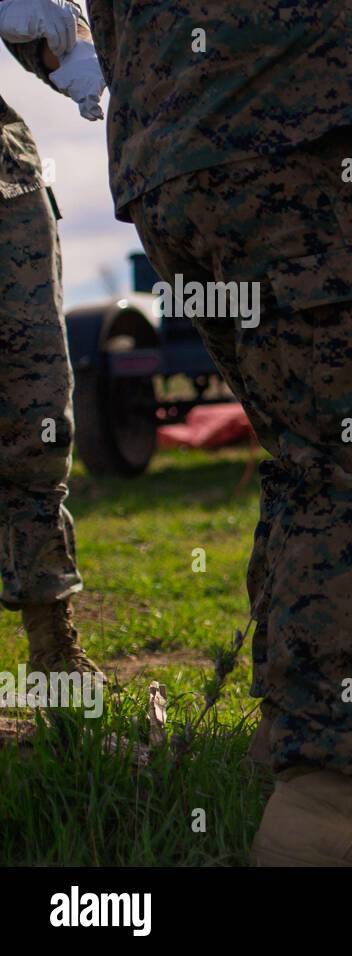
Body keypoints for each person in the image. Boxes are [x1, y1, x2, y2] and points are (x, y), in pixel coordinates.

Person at [85, 0, 352, 864]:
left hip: (174, 145)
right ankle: (331, 798)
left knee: (309, 452)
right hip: (299, 118)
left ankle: (299, 730)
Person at [0, 0, 105, 677]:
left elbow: (48, 34)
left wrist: (80, 56)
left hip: (6, 190)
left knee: (36, 416)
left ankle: (52, 653)